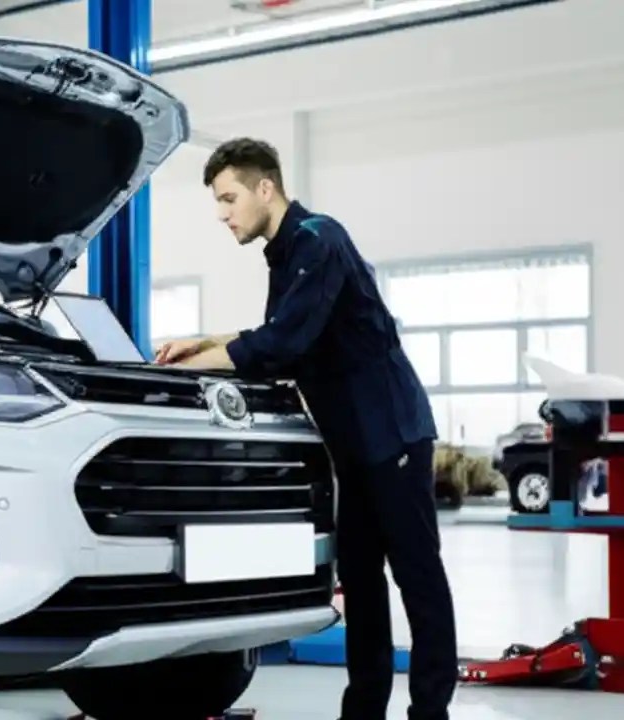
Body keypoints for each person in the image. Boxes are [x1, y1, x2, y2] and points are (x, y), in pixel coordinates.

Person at [154, 138, 458, 720]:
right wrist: (207, 339)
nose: (223, 215)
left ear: (265, 188)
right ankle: (364, 709)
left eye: (228, 199)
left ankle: (430, 712)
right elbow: (285, 331)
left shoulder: (320, 239)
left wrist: (195, 363)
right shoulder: (289, 251)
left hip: (392, 434)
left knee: (418, 576)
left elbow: (284, 344)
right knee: (362, 584)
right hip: (352, 444)